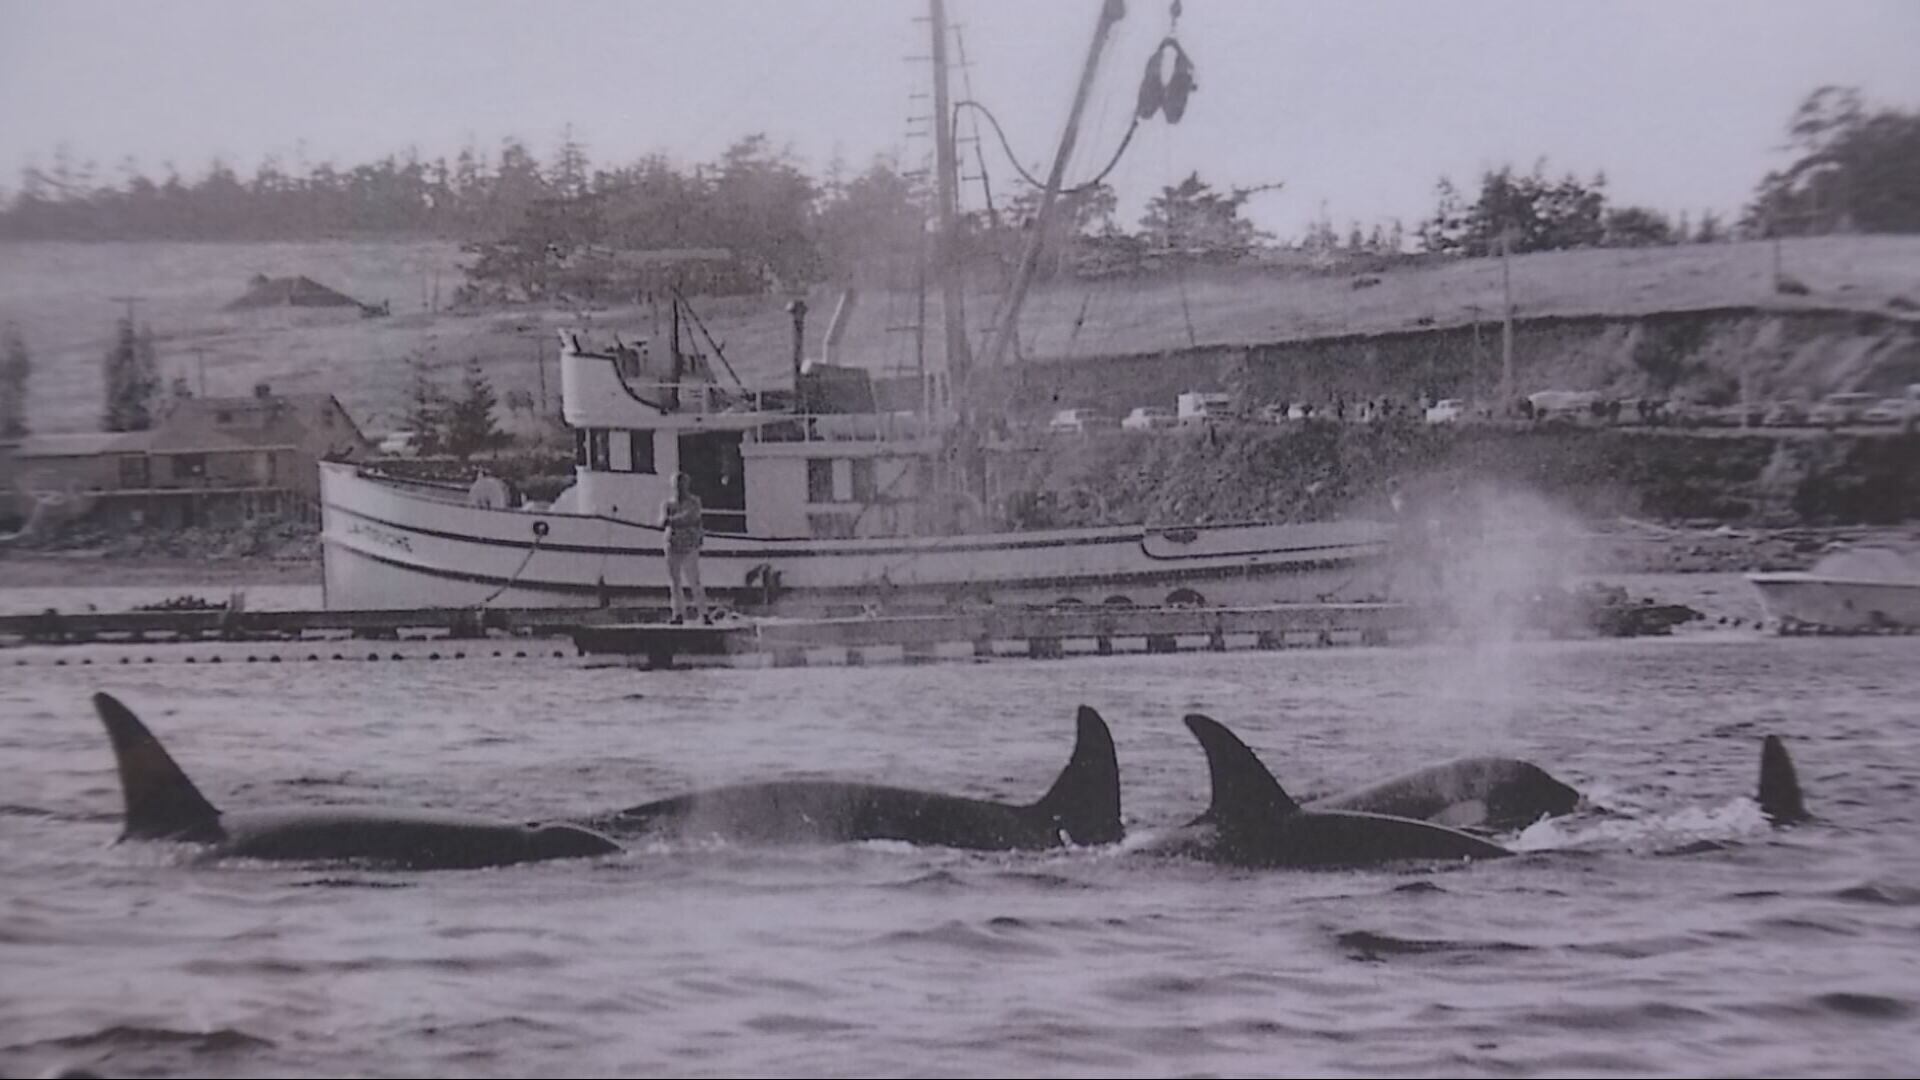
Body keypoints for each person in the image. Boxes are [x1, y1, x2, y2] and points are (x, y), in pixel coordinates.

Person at [660, 471, 708, 624]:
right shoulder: (667, 504)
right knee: (674, 582)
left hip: (690, 545)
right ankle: (678, 614)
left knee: (694, 580)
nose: (679, 488)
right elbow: (661, 522)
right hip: (672, 544)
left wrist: (671, 520)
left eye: (682, 484)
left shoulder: (694, 502)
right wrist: (669, 521)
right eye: (676, 485)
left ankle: (704, 614)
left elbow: (691, 517)